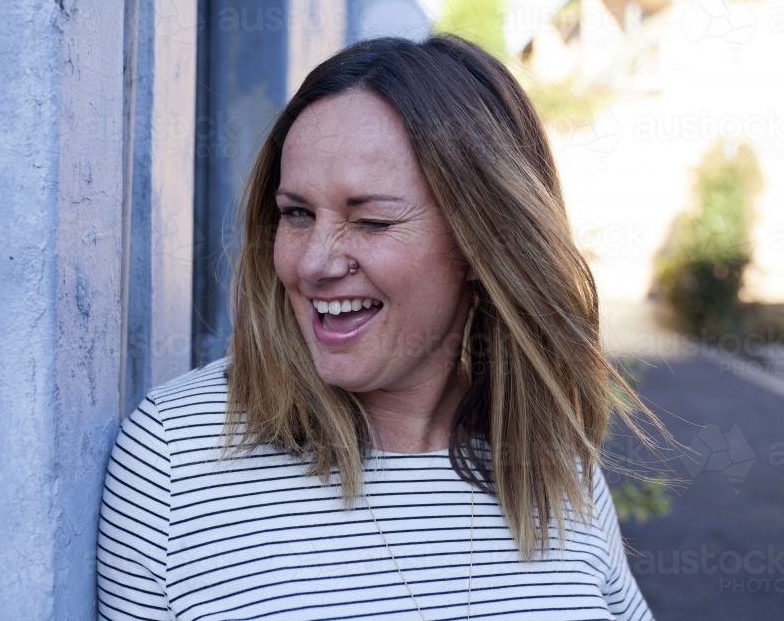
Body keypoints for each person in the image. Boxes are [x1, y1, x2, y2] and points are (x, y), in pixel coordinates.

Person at [97, 35, 658, 620]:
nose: (314, 263)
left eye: (370, 221)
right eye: (296, 214)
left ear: (481, 241)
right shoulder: (177, 458)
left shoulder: (551, 459)